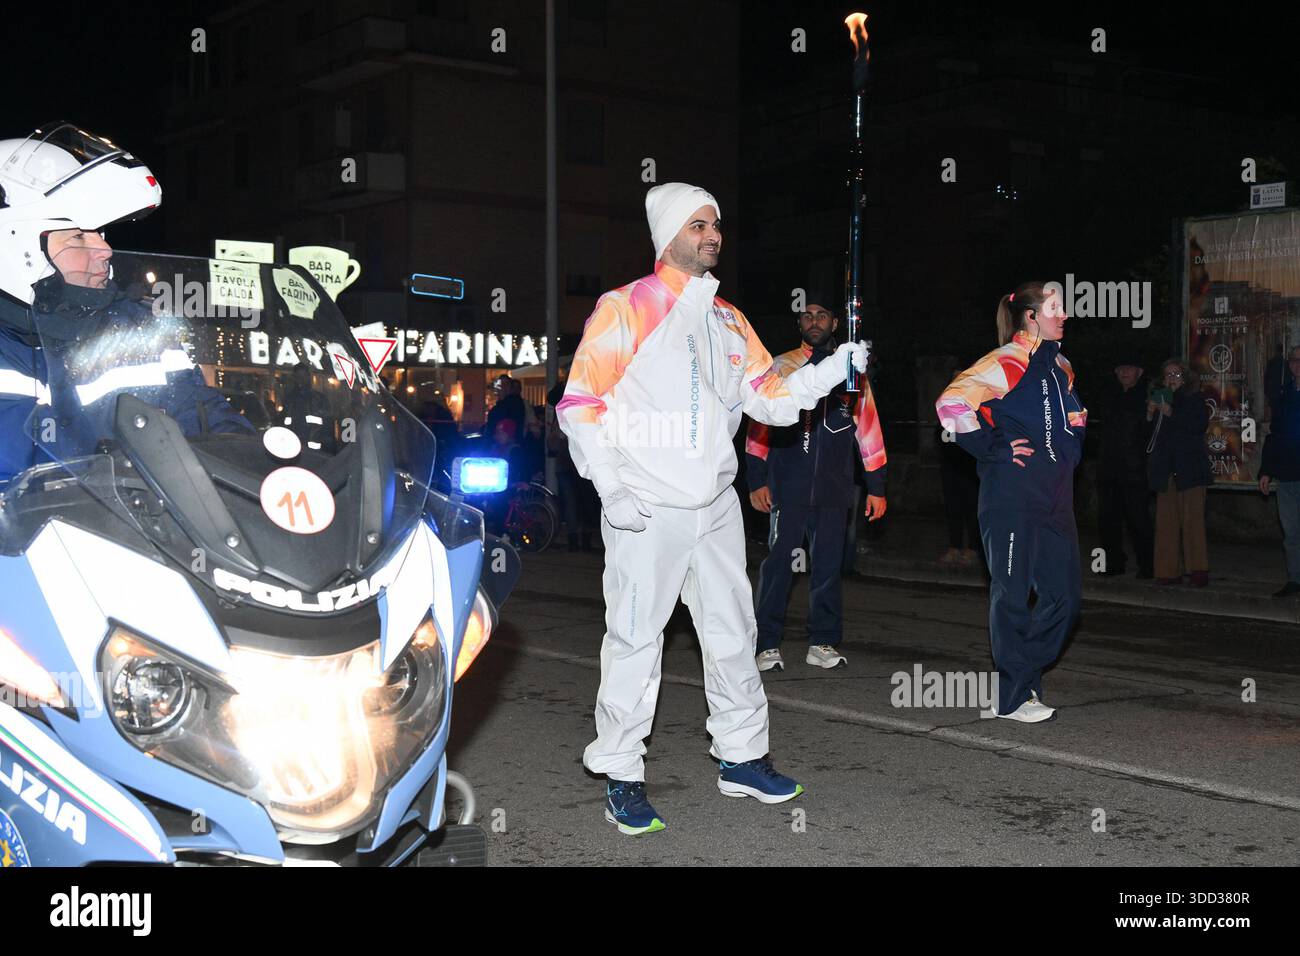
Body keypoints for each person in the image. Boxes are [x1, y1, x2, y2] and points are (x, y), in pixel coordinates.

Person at [557, 182, 868, 834]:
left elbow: (771, 400)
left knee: (733, 636)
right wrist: (611, 487)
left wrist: (830, 369)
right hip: (646, 504)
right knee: (638, 642)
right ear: (669, 236)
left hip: (715, 507)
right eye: (699, 225)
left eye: (716, 225)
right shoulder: (626, 308)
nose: (712, 235)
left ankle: (742, 759)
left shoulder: (729, 318)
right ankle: (622, 772)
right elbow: (580, 405)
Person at [0, 124, 247, 484]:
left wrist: (249, 462)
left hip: (140, 536)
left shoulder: (138, 330)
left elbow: (206, 418)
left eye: (101, 233)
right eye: (79, 236)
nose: (105, 249)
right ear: (13, 247)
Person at [936, 281, 1087, 723]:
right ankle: (1015, 694)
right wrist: (992, 447)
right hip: (1010, 494)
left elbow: (1075, 414)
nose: (1064, 315)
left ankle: (1020, 671)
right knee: (1012, 593)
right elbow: (951, 403)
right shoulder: (1006, 361)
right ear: (1031, 316)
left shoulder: (1061, 366)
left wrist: (1071, 446)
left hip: (1056, 496)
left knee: (1066, 600)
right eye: (1056, 308)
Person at [745, 296, 887, 671]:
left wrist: (876, 487)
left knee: (827, 567)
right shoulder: (781, 366)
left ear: (835, 323)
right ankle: (766, 643)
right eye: (807, 315)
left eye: (821, 315)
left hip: (834, 489)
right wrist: (757, 478)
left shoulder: (853, 372)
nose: (813, 321)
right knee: (779, 566)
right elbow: (760, 423)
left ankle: (822, 641)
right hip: (788, 488)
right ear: (800, 323)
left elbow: (868, 429)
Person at [1146, 357, 1211, 587]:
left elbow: (1198, 425)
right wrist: (1151, 413)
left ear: (1185, 377)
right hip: (1166, 469)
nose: (1172, 379)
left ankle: (1197, 570)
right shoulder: (1159, 396)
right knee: (1166, 522)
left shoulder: (1194, 398)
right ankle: (1166, 571)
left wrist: (1171, 413)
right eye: (1168, 375)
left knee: (1193, 521)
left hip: (1191, 468)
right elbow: (1151, 436)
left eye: (1176, 374)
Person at [1096, 357, 1154, 578]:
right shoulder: (1109, 395)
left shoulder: (1147, 395)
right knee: (1108, 520)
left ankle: (1147, 565)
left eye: (1130, 368)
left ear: (1139, 371)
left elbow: (1150, 433)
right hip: (1109, 468)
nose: (1125, 372)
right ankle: (1114, 562)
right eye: (1121, 368)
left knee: (1138, 519)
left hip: (1135, 470)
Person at [1259, 345, 1300, 597]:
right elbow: (1275, 435)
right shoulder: (1284, 394)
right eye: (1294, 359)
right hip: (1287, 474)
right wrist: (1266, 470)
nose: (1297, 364)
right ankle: (1295, 579)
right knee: (1292, 532)